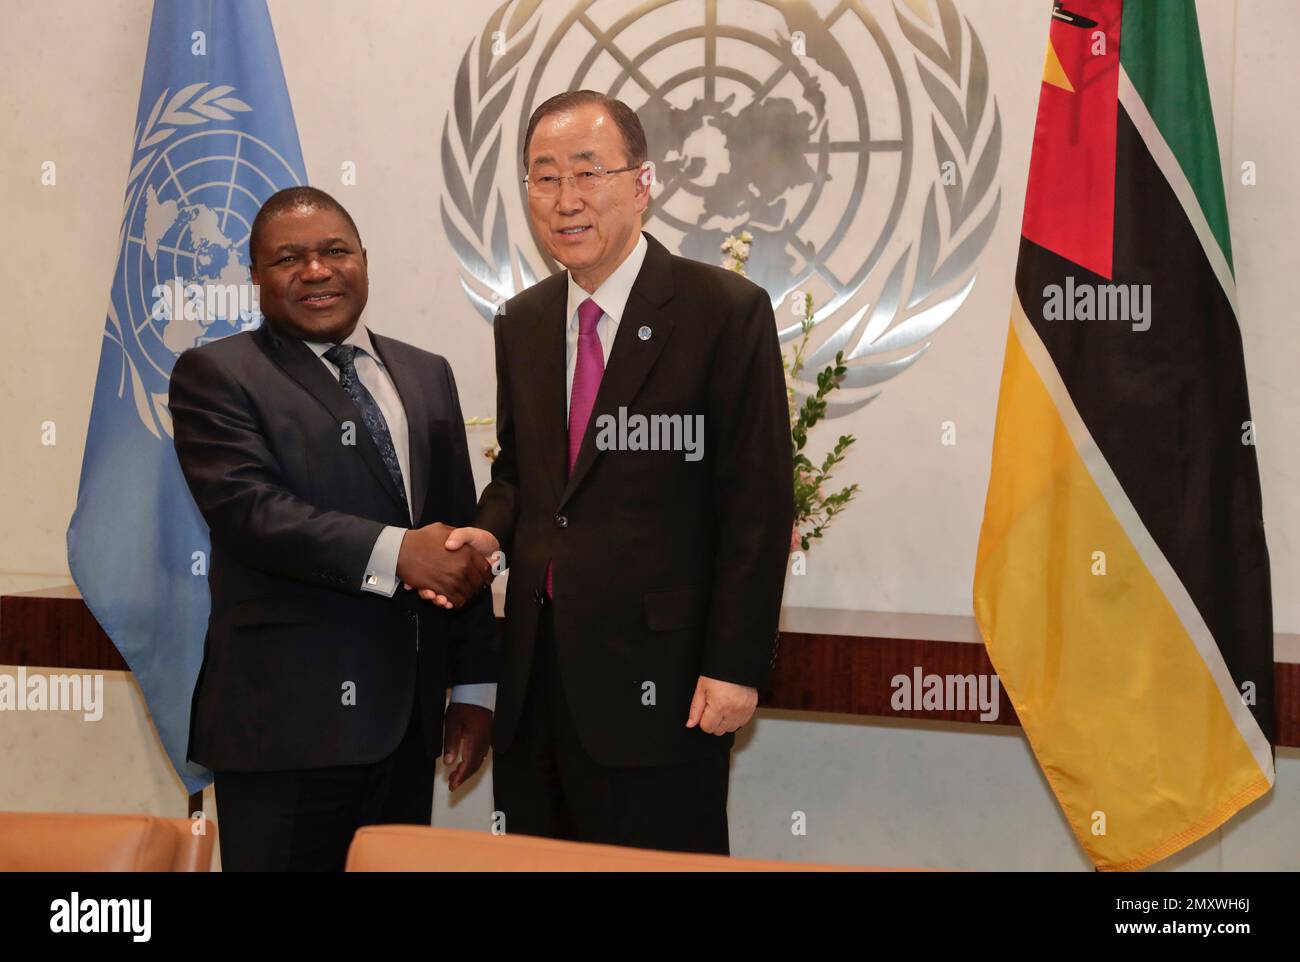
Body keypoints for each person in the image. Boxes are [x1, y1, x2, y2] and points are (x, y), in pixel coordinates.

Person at [433, 91, 793, 854]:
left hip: (663, 686)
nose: (566, 200)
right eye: (544, 177)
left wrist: (735, 667)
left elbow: (757, 503)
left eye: (587, 173)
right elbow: (526, 475)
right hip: (537, 683)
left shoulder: (724, 312)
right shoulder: (523, 322)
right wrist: (484, 530)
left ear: (641, 183)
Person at [168, 187, 498, 871]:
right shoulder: (216, 375)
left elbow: (457, 536)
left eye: (334, 251)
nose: (315, 270)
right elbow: (251, 513)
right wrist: (399, 554)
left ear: (364, 262)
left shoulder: (426, 374)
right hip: (283, 731)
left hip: (407, 730)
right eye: (288, 258)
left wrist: (473, 687)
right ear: (255, 278)